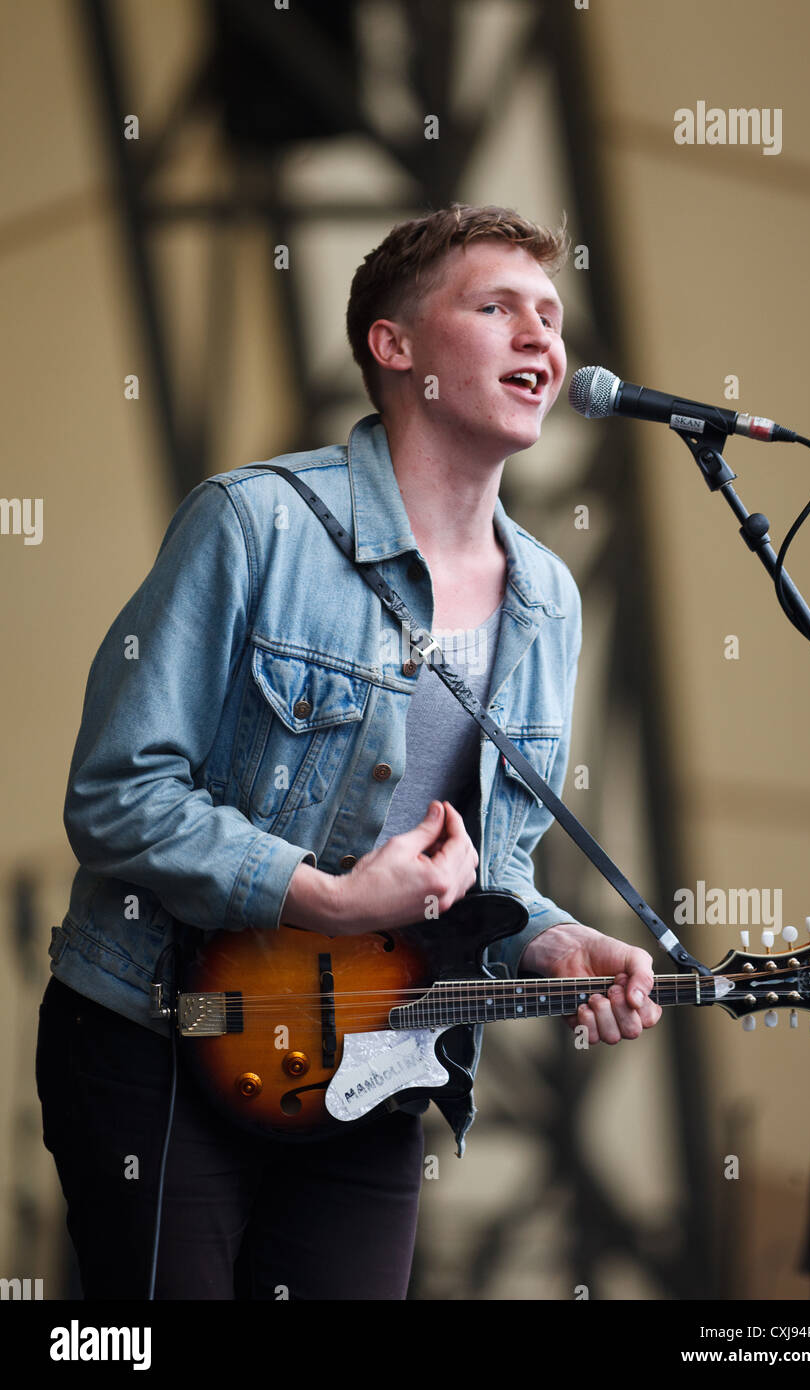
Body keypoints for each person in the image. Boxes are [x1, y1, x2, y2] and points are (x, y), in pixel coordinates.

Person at [35, 204, 663, 1301]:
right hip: (162, 1036)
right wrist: (320, 896)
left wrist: (553, 943)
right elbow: (117, 793)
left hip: (372, 1062)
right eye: (496, 306)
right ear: (395, 344)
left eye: (551, 316)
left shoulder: (548, 602)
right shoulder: (253, 523)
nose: (540, 338)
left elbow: (494, 865)